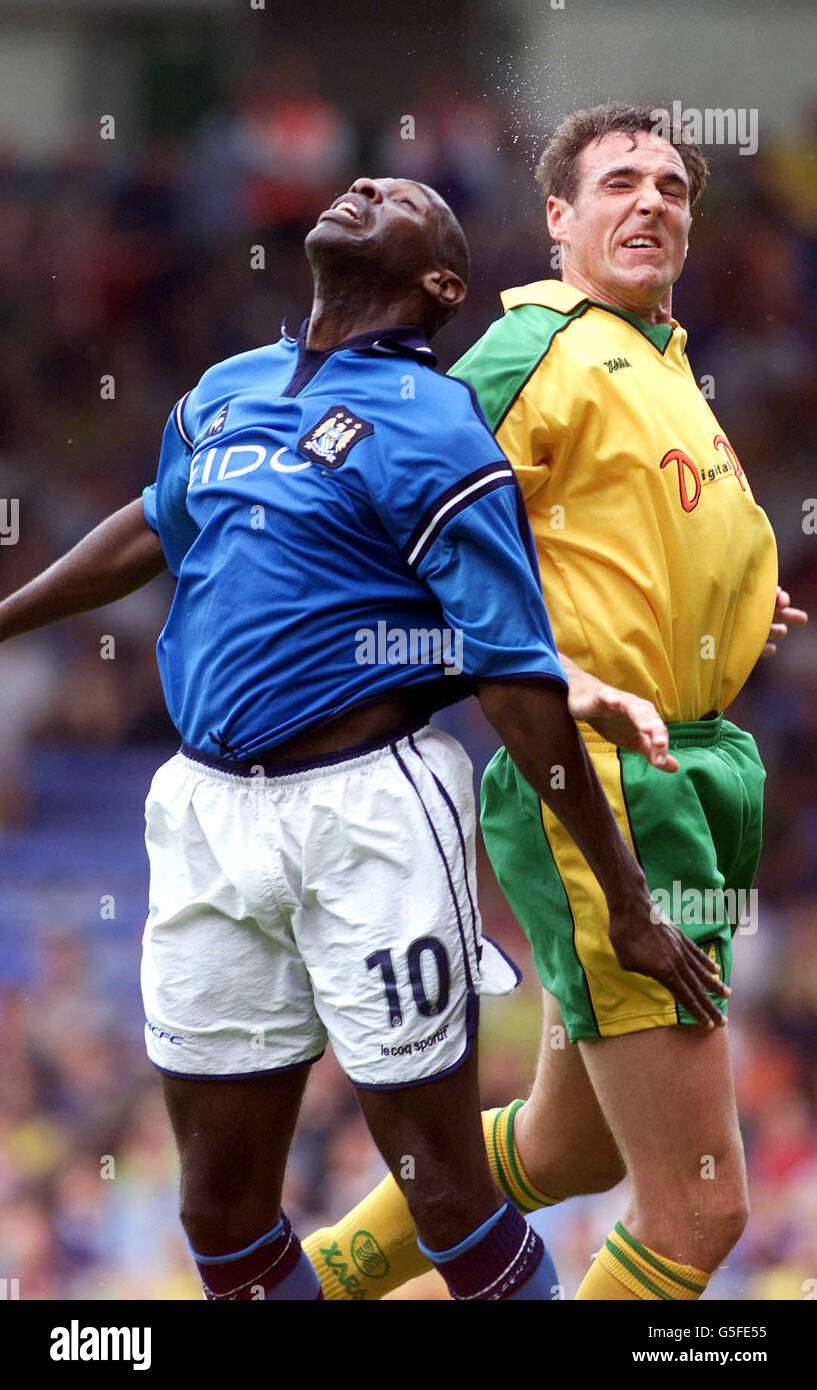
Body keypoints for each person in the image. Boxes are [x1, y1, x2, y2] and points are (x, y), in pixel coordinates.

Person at [0, 171, 724, 1302]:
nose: (367, 181)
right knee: (218, 1211)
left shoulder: (435, 427)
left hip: (366, 811)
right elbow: (151, 521)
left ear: (440, 281)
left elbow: (514, 676)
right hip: (201, 809)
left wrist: (625, 900)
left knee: (442, 1186)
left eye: (401, 197)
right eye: (365, 181)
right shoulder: (225, 390)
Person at [303, 107, 807, 1302]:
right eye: (618, 182)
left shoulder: (660, 357)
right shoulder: (535, 349)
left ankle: (311, 1281)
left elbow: (601, 533)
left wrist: (727, 595)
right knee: (700, 1208)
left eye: (673, 187)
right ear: (558, 220)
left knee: (560, 1149)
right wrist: (559, 666)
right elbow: (380, 503)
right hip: (607, 784)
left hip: (690, 769)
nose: (651, 203)